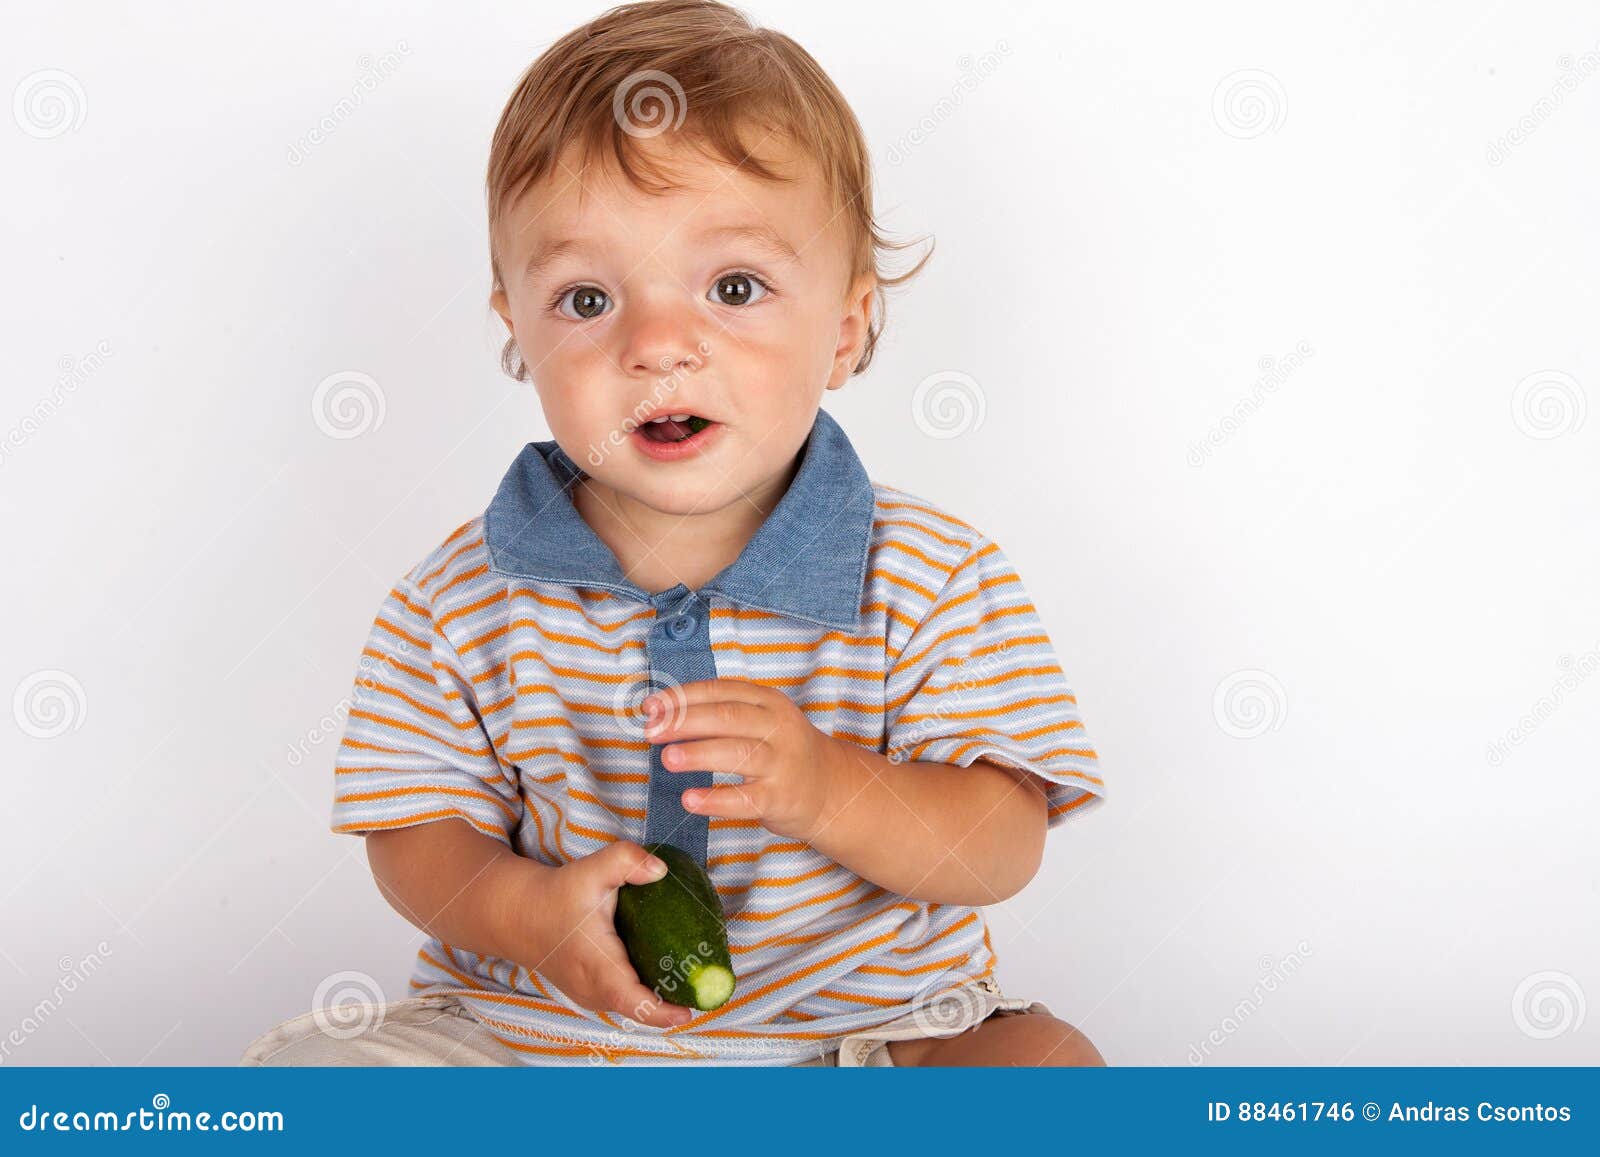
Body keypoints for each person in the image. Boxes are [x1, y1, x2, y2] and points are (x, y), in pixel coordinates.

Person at [241, 0, 1107, 1068]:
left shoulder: (932, 575)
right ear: (515, 328)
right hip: (537, 1038)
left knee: (1039, 1065)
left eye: (733, 287)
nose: (657, 345)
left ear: (843, 328)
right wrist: (529, 914)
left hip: (861, 1040)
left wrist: (829, 785)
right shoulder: (459, 596)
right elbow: (412, 837)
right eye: (588, 296)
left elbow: (1001, 838)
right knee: (312, 1075)